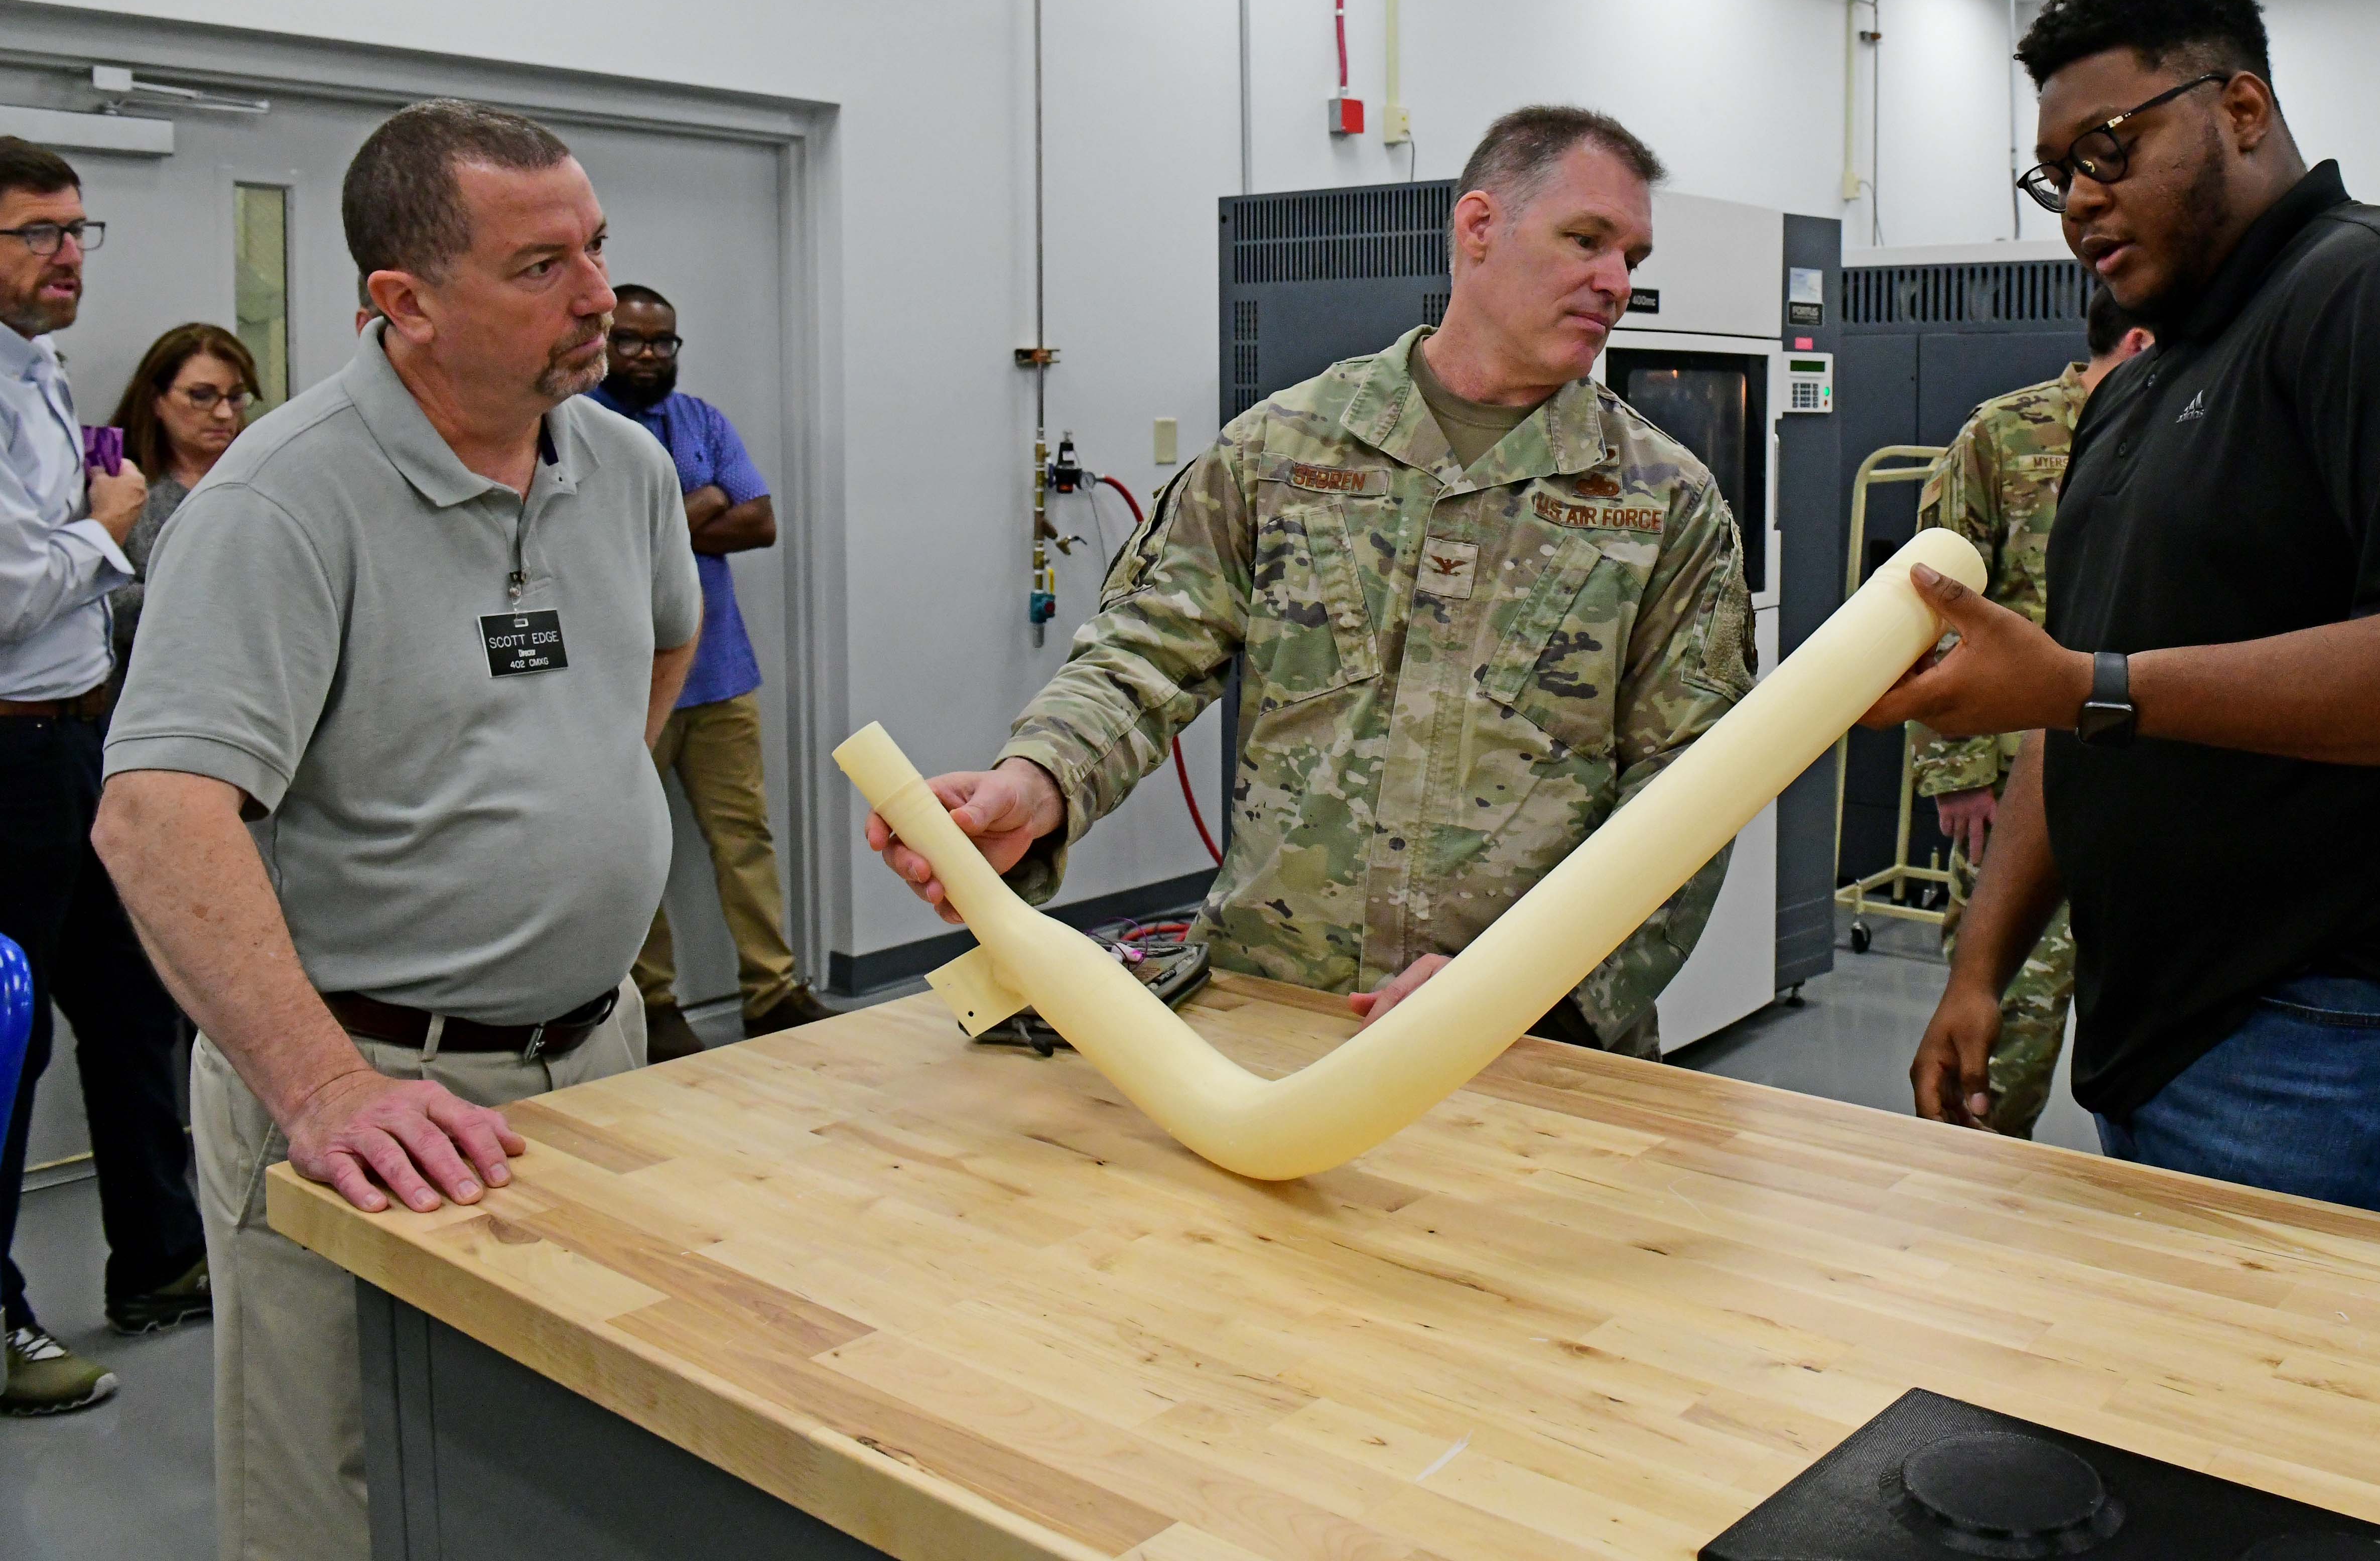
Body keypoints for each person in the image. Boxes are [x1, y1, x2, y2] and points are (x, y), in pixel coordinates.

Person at [1879, 0, 2380, 1238]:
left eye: (2108, 147)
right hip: (2174, 1025)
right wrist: (1981, 964)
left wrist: (2090, 684)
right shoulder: (2138, 388)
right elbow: (2077, 705)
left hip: (2363, 1031)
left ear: (2239, 109)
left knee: (2319, 1375)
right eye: (2055, 174)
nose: (2079, 198)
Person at [95, 99, 700, 1556]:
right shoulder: (282, 501)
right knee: (347, 1493)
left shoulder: (622, 469)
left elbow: (666, 639)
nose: (598, 294)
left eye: (596, 245)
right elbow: (156, 813)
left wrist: (563, 814)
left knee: (573, 1470)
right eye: (541, 265)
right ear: (404, 300)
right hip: (372, 1093)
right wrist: (321, 1088)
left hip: (596, 1062)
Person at [870, 105, 1754, 1056]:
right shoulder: (1284, 450)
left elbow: (1691, 793)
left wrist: (1531, 985)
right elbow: (1145, 651)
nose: (1617, 282)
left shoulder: (1662, 502)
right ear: (1479, 226)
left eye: (1632, 257)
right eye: (1586, 240)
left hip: (1530, 1044)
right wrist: (1039, 779)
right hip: (1275, 1018)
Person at [0, 140, 208, 1420]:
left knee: (135, 1010)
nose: (68, 254)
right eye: (36, 233)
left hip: (76, 742)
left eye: (78, 230)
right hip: (6, 754)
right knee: (5, 1043)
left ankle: (161, 1260)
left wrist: (86, 533)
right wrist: (107, 528)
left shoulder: (37, 371)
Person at [1912, 287, 2151, 1137]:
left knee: (2152, 1050)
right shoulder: (2003, 433)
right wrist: (1955, 773)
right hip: (2025, 790)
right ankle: (1974, 1183)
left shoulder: (2188, 435)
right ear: (2139, 341)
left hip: (2154, 775)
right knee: (2005, 1027)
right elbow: (1930, 607)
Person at [590, 282, 826, 1059]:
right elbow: (603, 539)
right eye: (631, 339)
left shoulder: (702, 420)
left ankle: (773, 991)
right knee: (633, 852)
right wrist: (705, 498)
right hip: (626, 688)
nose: (648, 354)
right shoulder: (575, 426)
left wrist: (668, 520)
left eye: (662, 342)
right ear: (604, 340)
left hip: (722, 676)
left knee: (745, 838)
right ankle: (653, 1004)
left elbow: (760, 523)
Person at [104, 321, 266, 668]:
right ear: (156, 401)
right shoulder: (120, 486)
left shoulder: (268, 481)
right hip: (151, 680)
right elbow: (103, 601)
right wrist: (217, 600)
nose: (224, 414)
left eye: (235, 397)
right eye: (202, 396)